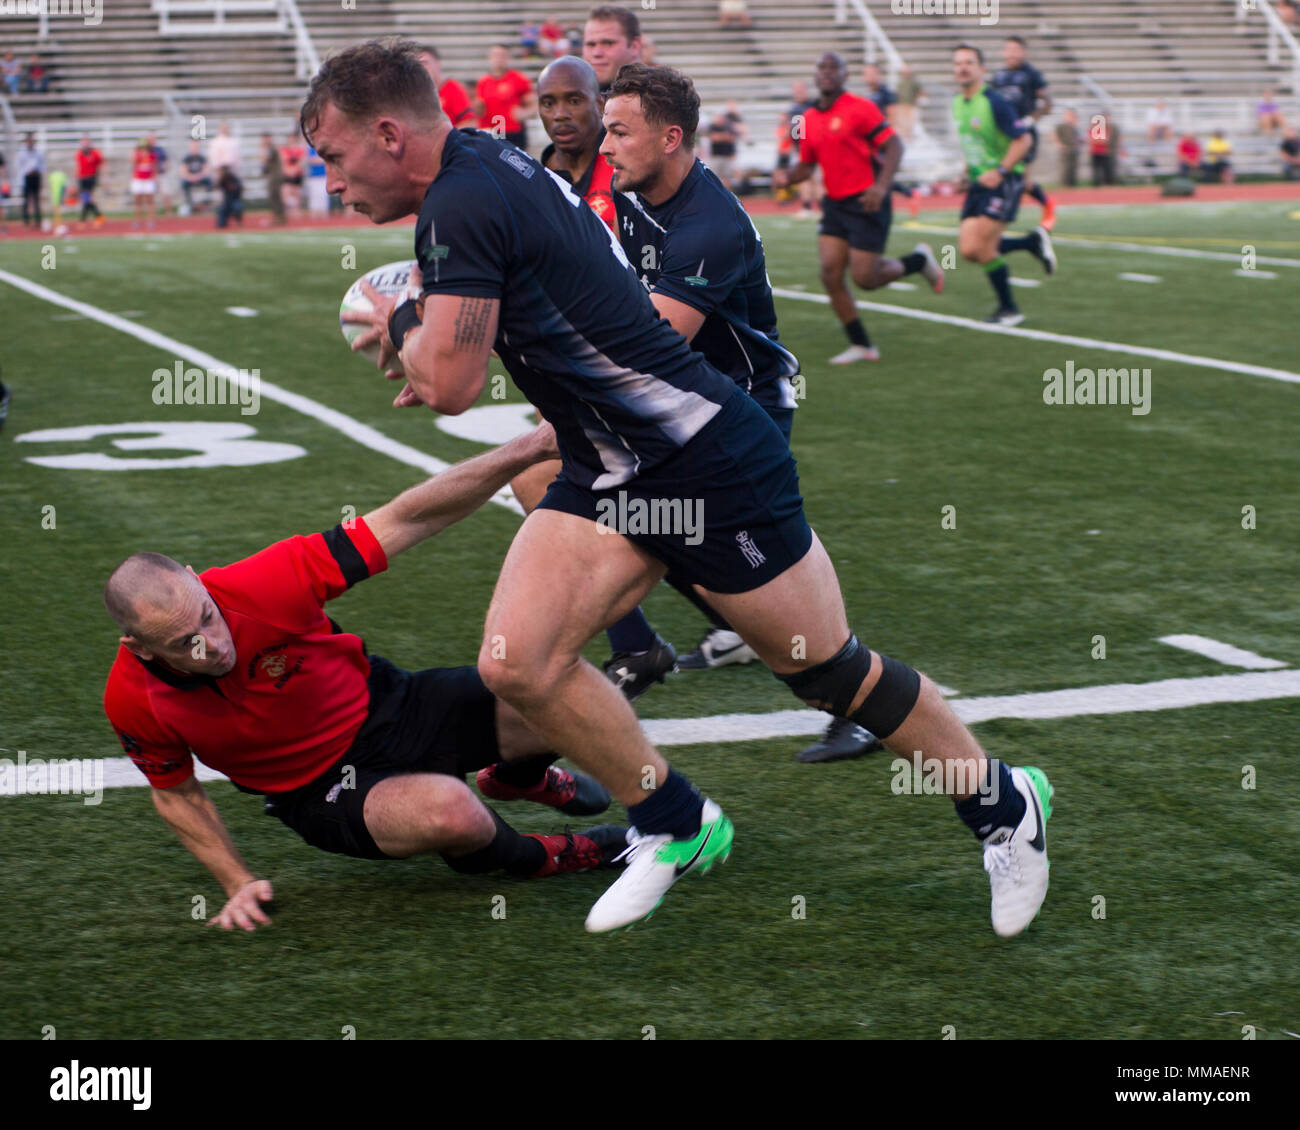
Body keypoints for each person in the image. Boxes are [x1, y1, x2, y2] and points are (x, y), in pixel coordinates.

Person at [312, 39, 1055, 938]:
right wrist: (430, 319)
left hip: (706, 457)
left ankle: (1003, 804)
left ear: (388, 134)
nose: (333, 184)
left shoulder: (464, 197)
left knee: (826, 671)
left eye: (335, 157)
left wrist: (403, 317)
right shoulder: (477, 163)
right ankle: (674, 822)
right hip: (608, 462)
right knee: (518, 661)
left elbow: (452, 389)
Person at [103, 426, 627, 933]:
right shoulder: (132, 699)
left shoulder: (263, 582)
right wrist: (236, 881)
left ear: (199, 579)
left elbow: (411, 518)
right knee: (454, 813)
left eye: (207, 617)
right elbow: (177, 795)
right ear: (140, 648)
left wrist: (530, 446)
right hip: (318, 790)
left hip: (391, 705)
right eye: (182, 643)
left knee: (553, 693)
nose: (212, 644)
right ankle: (537, 857)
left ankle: (516, 778)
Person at [772, 52, 944, 364]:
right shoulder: (807, 119)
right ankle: (863, 345)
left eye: (833, 67)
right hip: (835, 205)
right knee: (830, 273)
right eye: (820, 67)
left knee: (866, 278)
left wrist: (880, 187)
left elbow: (895, 146)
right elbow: (807, 166)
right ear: (815, 75)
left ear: (844, 75)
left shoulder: (861, 108)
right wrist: (786, 178)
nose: (826, 72)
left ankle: (919, 261)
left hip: (868, 201)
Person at [951, 44, 1056, 326]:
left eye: (969, 62)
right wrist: (965, 174)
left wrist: (1000, 171)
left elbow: (1024, 140)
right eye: (958, 63)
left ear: (982, 69)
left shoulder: (995, 102)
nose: (962, 67)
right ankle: (1031, 242)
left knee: (985, 248)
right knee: (969, 250)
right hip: (977, 184)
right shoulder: (958, 104)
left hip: (1004, 182)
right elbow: (972, 143)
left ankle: (1009, 309)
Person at [992, 35, 1056, 230]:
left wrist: (1030, 120)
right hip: (1002, 135)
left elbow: (1048, 103)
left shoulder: (1031, 75)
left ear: (1023, 52)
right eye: (1008, 49)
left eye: (1015, 49)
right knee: (1006, 177)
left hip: (1023, 135)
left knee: (1020, 179)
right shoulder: (999, 77)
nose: (1011, 53)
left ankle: (1047, 204)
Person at [474, 43, 535, 149]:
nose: (499, 59)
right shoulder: (483, 82)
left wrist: (524, 113)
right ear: (490, 58)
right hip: (491, 132)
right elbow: (480, 109)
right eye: (496, 55)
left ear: (508, 58)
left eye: (502, 55)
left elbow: (534, 104)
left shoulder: (518, 79)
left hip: (512, 132)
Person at [583, 4, 641, 92]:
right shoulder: (575, 97)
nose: (596, 53)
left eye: (608, 43)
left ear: (634, 46)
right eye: (590, 44)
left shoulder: (661, 98)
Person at [416, 44, 474, 127]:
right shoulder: (418, 92)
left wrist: (449, 136)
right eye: (420, 65)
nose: (423, 68)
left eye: (426, 63)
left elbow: (470, 122)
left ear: (438, 64)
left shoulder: (452, 88)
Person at [705, 101, 745, 189]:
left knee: (727, 178)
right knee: (715, 177)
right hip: (716, 156)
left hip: (727, 155)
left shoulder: (728, 126)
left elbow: (733, 138)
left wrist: (722, 137)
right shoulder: (713, 126)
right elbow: (713, 138)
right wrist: (724, 136)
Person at [74, 135, 104, 226]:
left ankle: (83, 219)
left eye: (87, 142)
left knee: (87, 198)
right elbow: (78, 166)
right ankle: (98, 216)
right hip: (82, 178)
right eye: (83, 142)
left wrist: (102, 177)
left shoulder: (95, 152)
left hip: (91, 177)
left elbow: (101, 164)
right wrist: (76, 177)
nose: (85, 144)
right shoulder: (79, 153)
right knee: (86, 199)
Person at [129, 138, 159, 228]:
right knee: (138, 201)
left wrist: (155, 179)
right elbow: (133, 164)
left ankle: (151, 219)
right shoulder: (137, 155)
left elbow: (154, 168)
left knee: (150, 201)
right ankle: (137, 220)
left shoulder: (152, 156)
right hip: (138, 179)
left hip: (148, 180)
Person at [17, 133, 44, 229]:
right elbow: (20, 168)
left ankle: (37, 221)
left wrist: (40, 176)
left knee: (36, 200)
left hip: (36, 177)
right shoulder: (22, 153)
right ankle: (26, 221)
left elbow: (42, 166)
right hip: (26, 178)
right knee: (26, 200)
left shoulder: (38, 152)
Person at [179, 139, 213, 212]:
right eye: (193, 146)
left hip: (200, 178)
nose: (195, 148)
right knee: (183, 183)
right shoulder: (186, 158)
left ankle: (206, 203)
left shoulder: (202, 158)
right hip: (190, 179)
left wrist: (198, 176)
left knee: (209, 181)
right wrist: (191, 177)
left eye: (196, 146)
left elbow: (206, 171)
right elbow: (183, 172)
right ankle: (190, 204)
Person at [280, 132, 306, 214]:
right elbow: (284, 161)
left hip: (297, 175)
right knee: (286, 195)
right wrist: (290, 171)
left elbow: (302, 161)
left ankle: (296, 214)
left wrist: (295, 170)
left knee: (297, 195)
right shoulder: (284, 149)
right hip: (287, 175)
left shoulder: (300, 150)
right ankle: (288, 214)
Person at [1054, 107, 1081, 186]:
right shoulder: (1061, 125)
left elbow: (1078, 138)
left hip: (1074, 149)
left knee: (1073, 167)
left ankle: (1073, 184)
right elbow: (1055, 135)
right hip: (1065, 149)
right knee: (1066, 168)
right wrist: (1059, 144)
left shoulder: (1074, 126)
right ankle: (1065, 185)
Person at [894, 64, 922, 141]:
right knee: (902, 122)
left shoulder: (913, 82)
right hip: (902, 105)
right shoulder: (900, 82)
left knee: (910, 122)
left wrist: (917, 100)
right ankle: (904, 138)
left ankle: (909, 138)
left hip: (911, 105)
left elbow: (919, 91)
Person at [262, 134, 285, 224]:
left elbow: (265, 159)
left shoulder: (271, 149)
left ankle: (279, 217)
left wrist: (261, 150)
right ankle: (279, 217)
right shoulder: (270, 149)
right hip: (273, 175)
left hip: (275, 176)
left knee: (274, 196)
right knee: (274, 196)